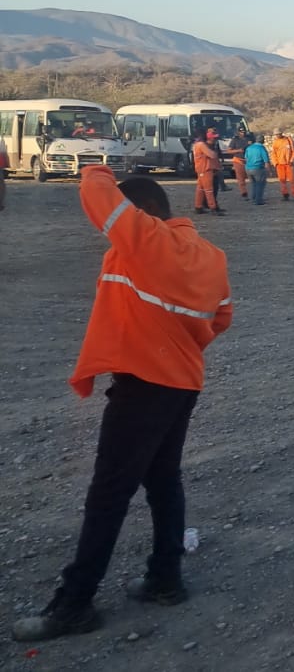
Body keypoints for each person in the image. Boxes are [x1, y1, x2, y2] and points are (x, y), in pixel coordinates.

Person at [11, 167, 232, 643]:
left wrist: (99, 159)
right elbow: (222, 315)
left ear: (142, 215)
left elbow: (95, 189)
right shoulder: (211, 255)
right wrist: (178, 346)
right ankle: (164, 579)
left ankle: (74, 605)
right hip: (181, 382)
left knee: (109, 494)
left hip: (144, 384)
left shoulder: (146, 241)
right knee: (162, 480)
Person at [191, 130, 223, 216]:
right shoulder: (201, 145)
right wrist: (214, 152)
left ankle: (198, 207)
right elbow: (212, 155)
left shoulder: (196, 144)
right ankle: (213, 208)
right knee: (209, 190)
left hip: (200, 169)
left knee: (200, 189)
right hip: (205, 169)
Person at [269, 129, 294, 202]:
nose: (277, 135)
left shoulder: (288, 140)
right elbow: (273, 154)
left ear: (281, 133)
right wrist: (275, 163)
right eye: (276, 134)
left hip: (289, 164)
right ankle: (285, 195)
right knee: (282, 181)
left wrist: (292, 160)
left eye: (278, 134)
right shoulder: (275, 142)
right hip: (280, 164)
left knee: (292, 180)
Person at [243, 134, 270, 205]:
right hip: (258, 168)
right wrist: (268, 171)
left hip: (248, 168)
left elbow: (246, 158)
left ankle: (254, 198)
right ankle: (258, 200)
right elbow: (266, 161)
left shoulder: (249, 148)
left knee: (253, 184)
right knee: (260, 184)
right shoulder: (261, 148)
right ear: (262, 140)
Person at [226, 127, 249, 197]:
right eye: (241, 132)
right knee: (240, 177)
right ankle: (244, 192)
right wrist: (238, 150)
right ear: (238, 132)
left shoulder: (249, 139)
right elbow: (229, 151)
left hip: (248, 160)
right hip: (238, 160)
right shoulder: (235, 140)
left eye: (244, 132)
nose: (243, 133)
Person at [0, 131, 11, 211]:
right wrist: (8, 164)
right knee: (2, 185)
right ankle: (1, 203)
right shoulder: (1, 139)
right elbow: (4, 153)